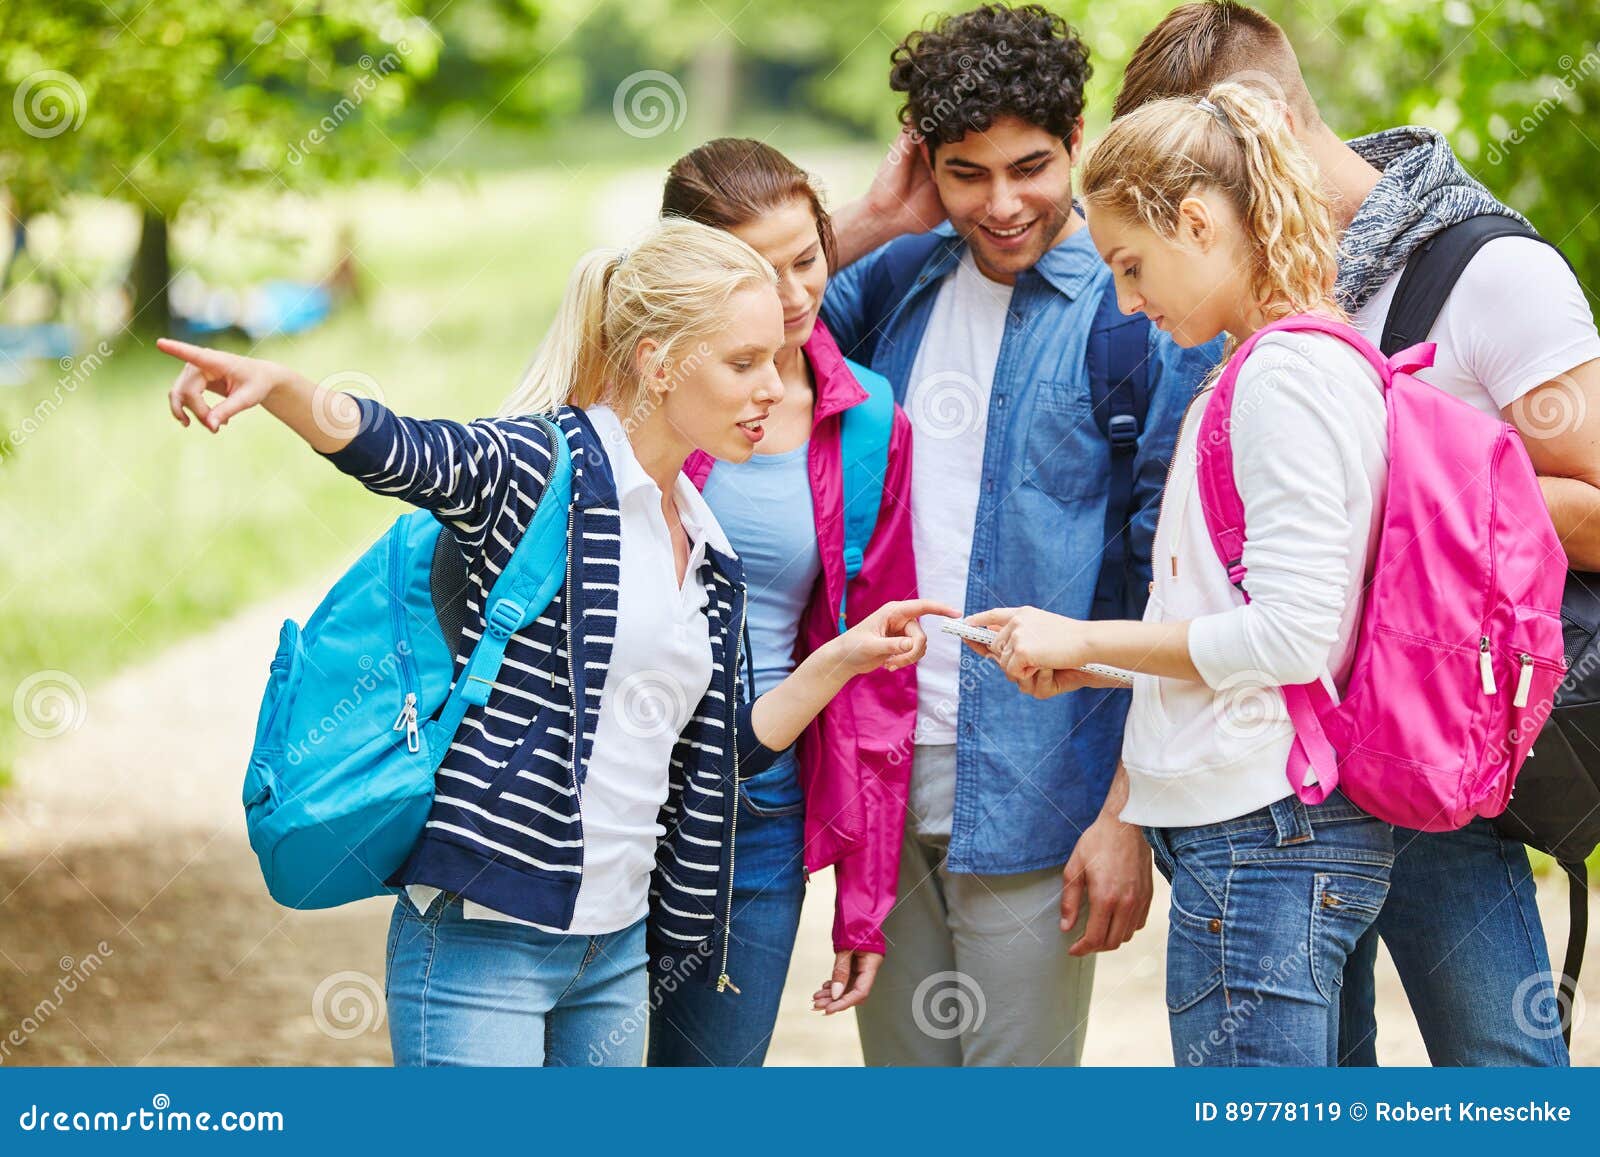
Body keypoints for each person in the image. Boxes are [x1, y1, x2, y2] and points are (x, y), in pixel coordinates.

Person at [157, 217, 952, 1067]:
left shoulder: (709, 544)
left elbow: (720, 755)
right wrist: (281, 386)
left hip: (614, 952)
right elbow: (405, 450)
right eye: (742, 362)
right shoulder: (544, 467)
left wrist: (841, 658)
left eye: (774, 360)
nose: (771, 386)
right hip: (484, 940)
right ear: (656, 360)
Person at [1112, 0, 1600, 1067]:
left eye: (1190, 167)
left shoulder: (1487, 272)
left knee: (1497, 1071)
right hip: (1290, 789)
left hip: (1433, 768)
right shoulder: (1256, 292)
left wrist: (1410, 484)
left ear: (1264, 128)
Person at [819, 3, 1221, 1066]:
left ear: (1078, 139)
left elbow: (1171, 592)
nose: (1001, 204)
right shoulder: (889, 286)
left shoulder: (1135, 317)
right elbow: (710, 343)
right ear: (925, 166)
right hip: (881, 771)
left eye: (1031, 166)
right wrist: (870, 219)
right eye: (965, 173)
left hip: (1044, 783)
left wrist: (1126, 814)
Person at [973, 80, 1397, 1066]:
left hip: (1260, 837)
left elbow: (1292, 636)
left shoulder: (1281, 379)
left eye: (1130, 264)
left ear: (1197, 221)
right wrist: (1104, 667)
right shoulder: (1295, 360)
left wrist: (1085, 635)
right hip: (1277, 833)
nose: (1124, 298)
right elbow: (1246, 622)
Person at [646, 138, 918, 1065]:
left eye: (807, 259)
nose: (796, 294)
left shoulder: (870, 421)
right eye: (760, 271)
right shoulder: (633, 395)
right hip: (616, 780)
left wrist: (866, 898)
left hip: (754, 799)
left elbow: (880, 676)